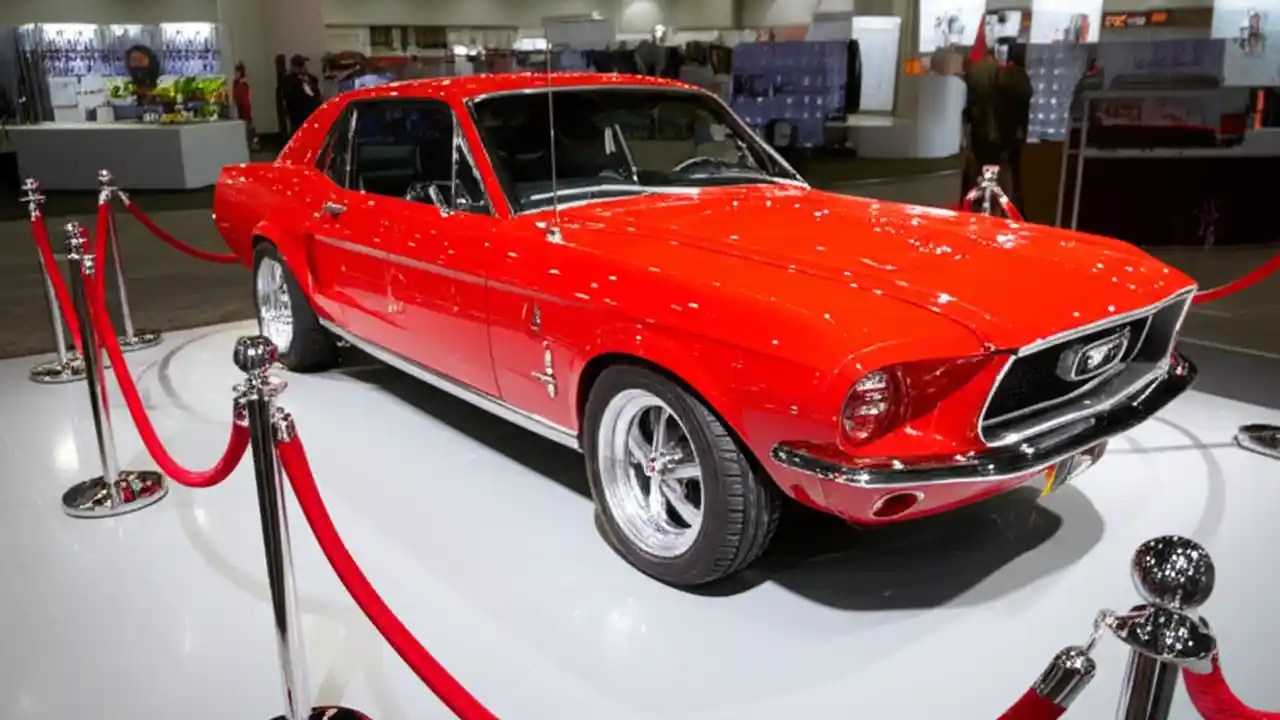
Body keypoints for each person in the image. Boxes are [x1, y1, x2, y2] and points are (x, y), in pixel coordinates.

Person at [997, 45, 1033, 210]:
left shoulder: (1008, 76)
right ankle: (1014, 207)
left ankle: (1009, 206)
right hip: (1016, 131)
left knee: (1008, 170)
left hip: (1008, 131)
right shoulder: (1020, 76)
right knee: (1013, 170)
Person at [280, 54, 321, 136]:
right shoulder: (288, 80)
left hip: (312, 112)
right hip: (297, 113)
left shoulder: (312, 78)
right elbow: (288, 95)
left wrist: (308, 84)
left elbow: (316, 93)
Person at [232, 63, 261, 152]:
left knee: (248, 130)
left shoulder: (240, 85)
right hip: (244, 111)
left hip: (243, 112)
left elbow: (243, 100)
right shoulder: (241, 84)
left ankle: (253, 144)